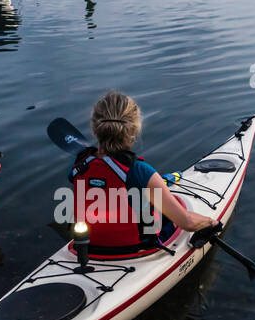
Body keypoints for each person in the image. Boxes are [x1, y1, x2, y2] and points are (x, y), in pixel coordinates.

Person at [67, 92, 216, 258]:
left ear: (95, 128)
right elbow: (187, 222)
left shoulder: (78, 167)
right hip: (136, 249)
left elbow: (104, 182)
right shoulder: (140, 170)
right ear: (134, 129)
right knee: (173, 213)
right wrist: (211, 222)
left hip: (90, 246)